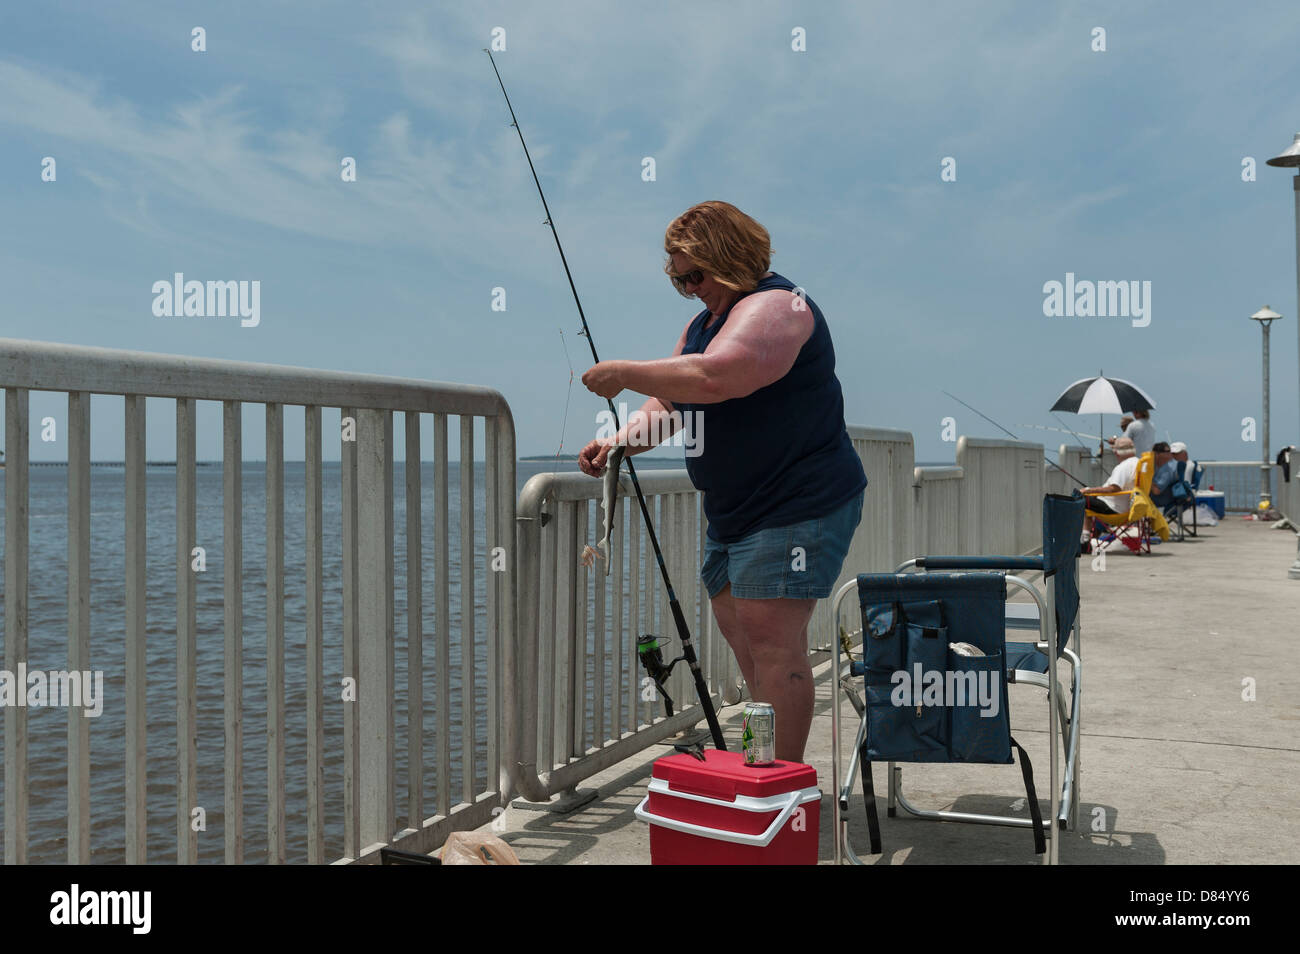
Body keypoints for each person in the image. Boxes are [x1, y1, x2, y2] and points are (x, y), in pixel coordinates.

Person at [577, 200, 867, 762]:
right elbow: (672, 398)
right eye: (679, 280)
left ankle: (783, 789)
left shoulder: (781, 306)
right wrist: (618, 444)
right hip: (733, 511)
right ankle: (764, 771)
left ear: (728, 257)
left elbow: (718, 376)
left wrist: (621, 371)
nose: (690, 288)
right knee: (744, 639)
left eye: (696, 275)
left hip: (795, 503)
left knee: (773, 645)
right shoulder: (703, 322)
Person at [1082, 436, 1138, 533]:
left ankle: (1085, 539)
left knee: (1079, 499)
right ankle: (1093, 535)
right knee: (1092, 502)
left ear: (1116, 453)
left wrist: (1088, 491)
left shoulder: (1123, 467)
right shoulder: (1138, 462)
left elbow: (1114, 489)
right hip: (1129, 509)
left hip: (1115, 510)